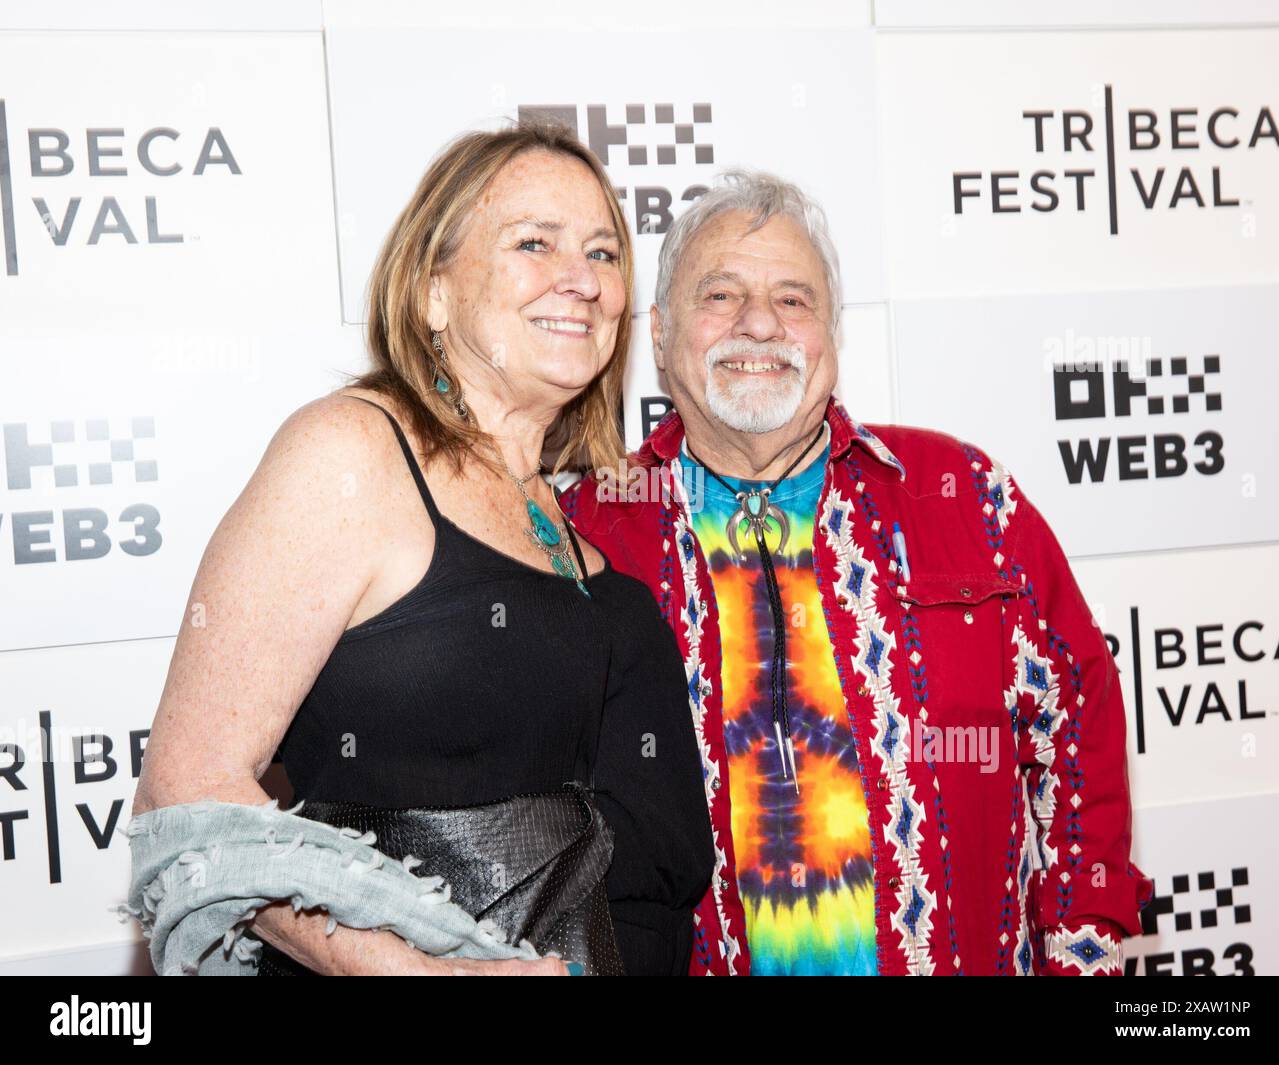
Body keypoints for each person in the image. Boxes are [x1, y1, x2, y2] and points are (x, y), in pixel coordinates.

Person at [127, 122, 713, 976]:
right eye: (532, 243)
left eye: (604, 253)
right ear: (434, 290)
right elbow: (185, 789)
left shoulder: (585, 523)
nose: (581, 280)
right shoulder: (353, 455)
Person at [563, 168, 1155, 975]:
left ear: (832, 336)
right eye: (722, 296)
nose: (761, 323)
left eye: (795, 299)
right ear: (660, 335)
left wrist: (1083, 955)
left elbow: (1077, 720)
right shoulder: (588, 535)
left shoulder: (965, 496)